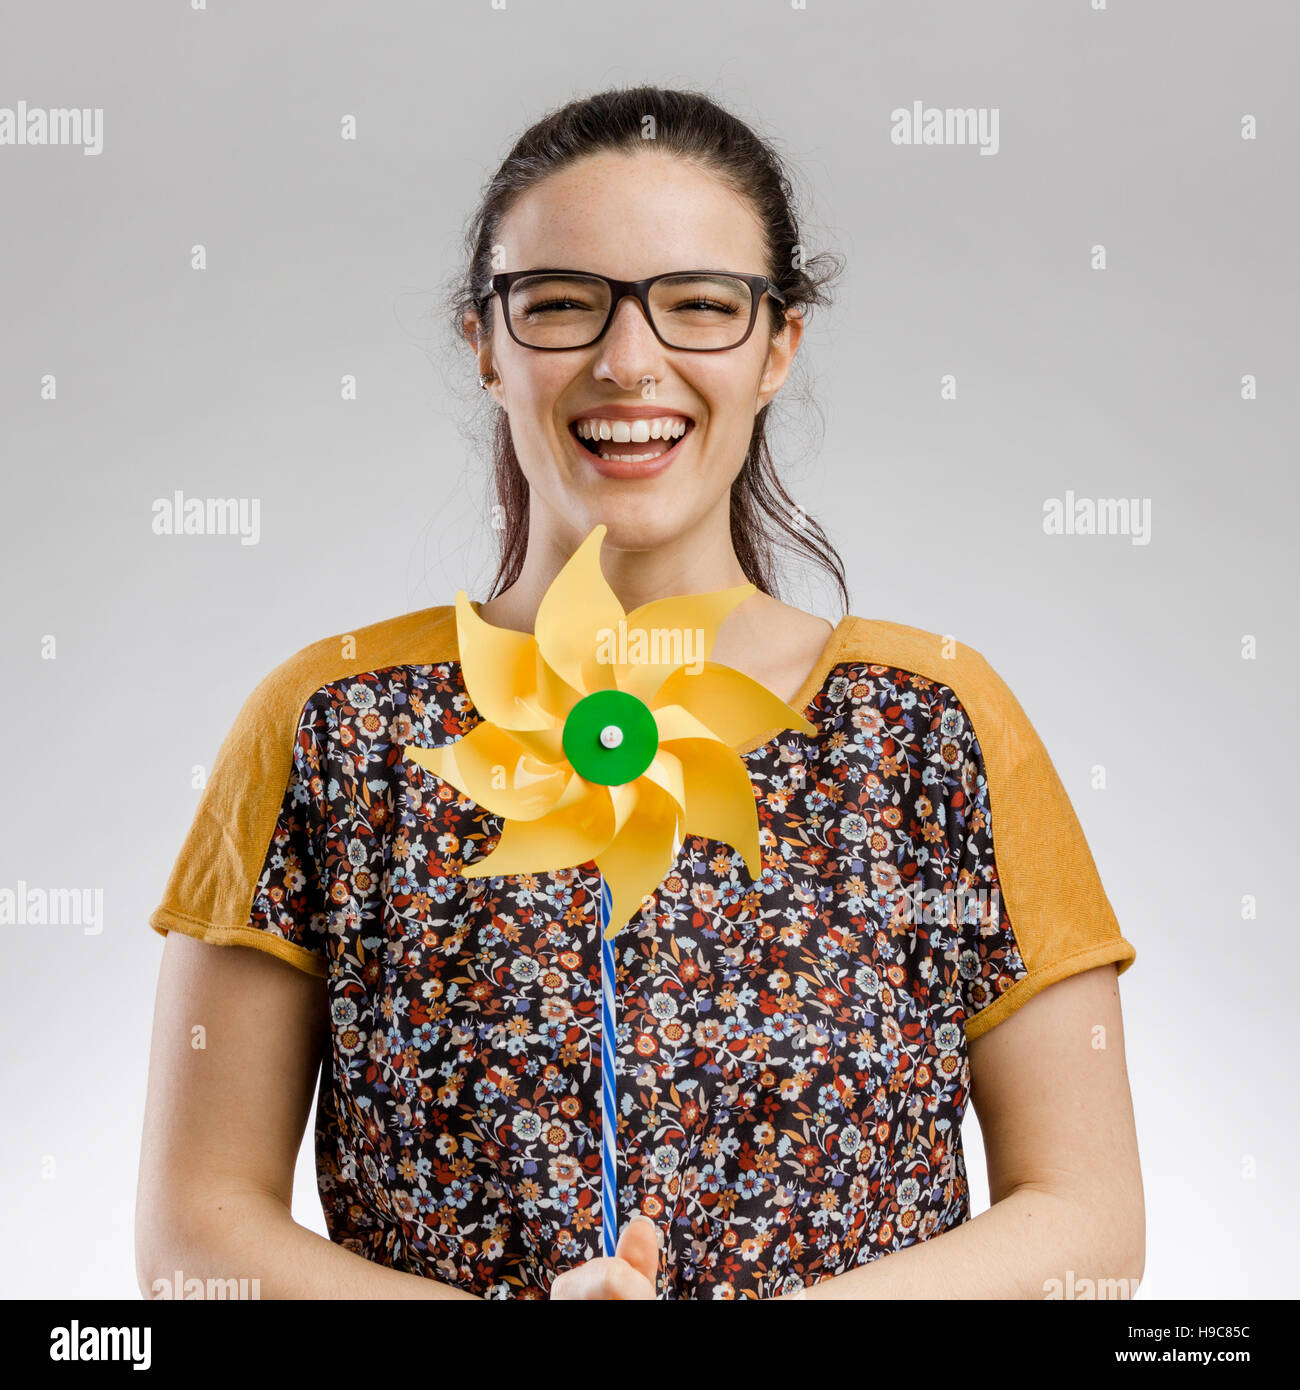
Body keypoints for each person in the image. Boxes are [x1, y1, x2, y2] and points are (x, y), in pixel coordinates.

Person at [136, 85, 1142, 1301]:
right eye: (560, 305)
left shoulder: (932, 722)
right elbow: (196, 1234)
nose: (628, 361)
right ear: (485, 345)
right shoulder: (333, 722)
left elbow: (1087, 1222)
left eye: (700, 307)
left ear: (778, 346)